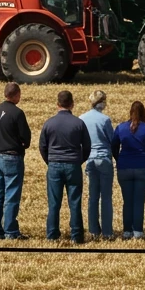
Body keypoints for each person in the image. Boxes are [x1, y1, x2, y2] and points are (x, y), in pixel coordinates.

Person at [39, 90, 91, 243]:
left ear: (57, 104)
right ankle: (76, 235)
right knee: (74, 201)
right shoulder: (78, 123)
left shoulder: (49, 123)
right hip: (73, 164)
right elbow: (87, 147)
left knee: (54, 202)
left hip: (54, 164)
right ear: (72, 104)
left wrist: (50, 161)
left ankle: (52, 234)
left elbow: (42, 146)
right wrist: (79, 160)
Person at [112, 100, 145, 239]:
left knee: (127, 201)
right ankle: (138, 231)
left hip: (125, 166)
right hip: (143, 166)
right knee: (139, 200)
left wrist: (118, 159)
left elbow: (113, 146)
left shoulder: (121, 128)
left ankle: (127, 231)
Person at [0, 82, 32, 240]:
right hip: (12, 156)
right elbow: (25, 136)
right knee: (12, 195)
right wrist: (23, 144)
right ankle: (10, 231)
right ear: (16, 95)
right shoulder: (17, 113)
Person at [79, 89, 115, 240]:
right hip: (104, 158)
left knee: (92, 196)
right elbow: (112, 140)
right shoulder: (105, 119)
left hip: (89, 159)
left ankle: (94, 230)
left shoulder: (82, 118)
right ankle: (107, 232)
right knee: (106, 197)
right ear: (102, 102)